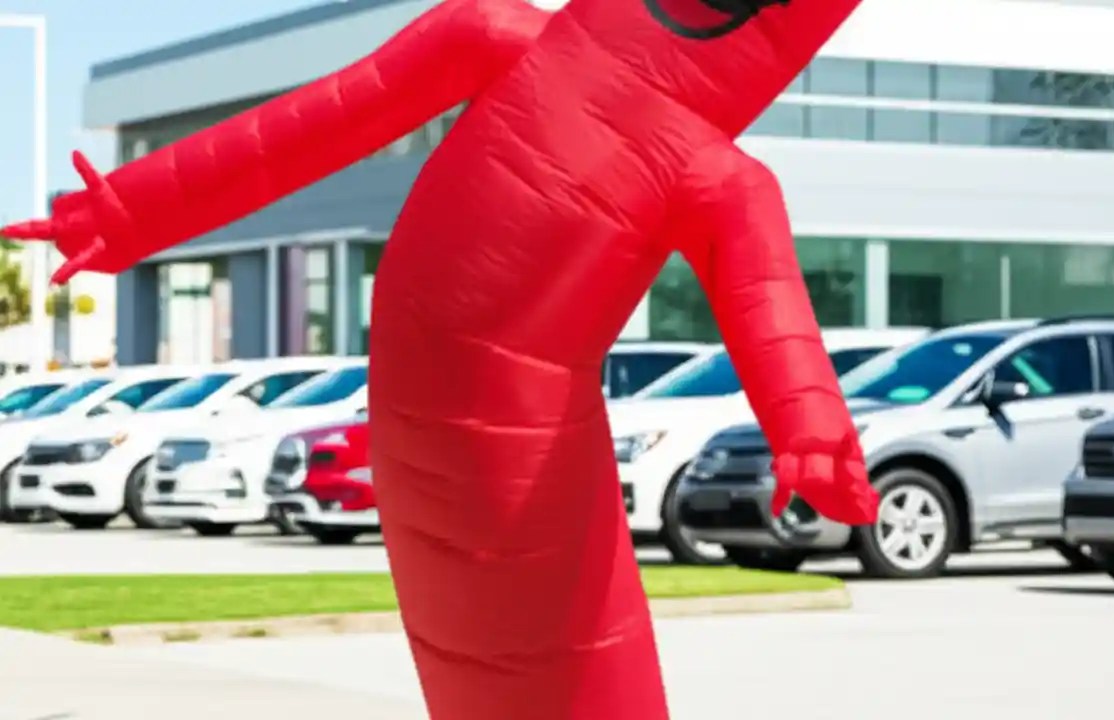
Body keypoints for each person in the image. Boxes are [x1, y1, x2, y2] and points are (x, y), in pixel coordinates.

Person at [3, 1, 878, 717]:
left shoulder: (699, 167)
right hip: (463, 429)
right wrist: (131, 211)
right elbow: (319, 124)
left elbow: (771, 311)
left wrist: (813, 434)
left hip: (491, 433)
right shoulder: (511, 44)